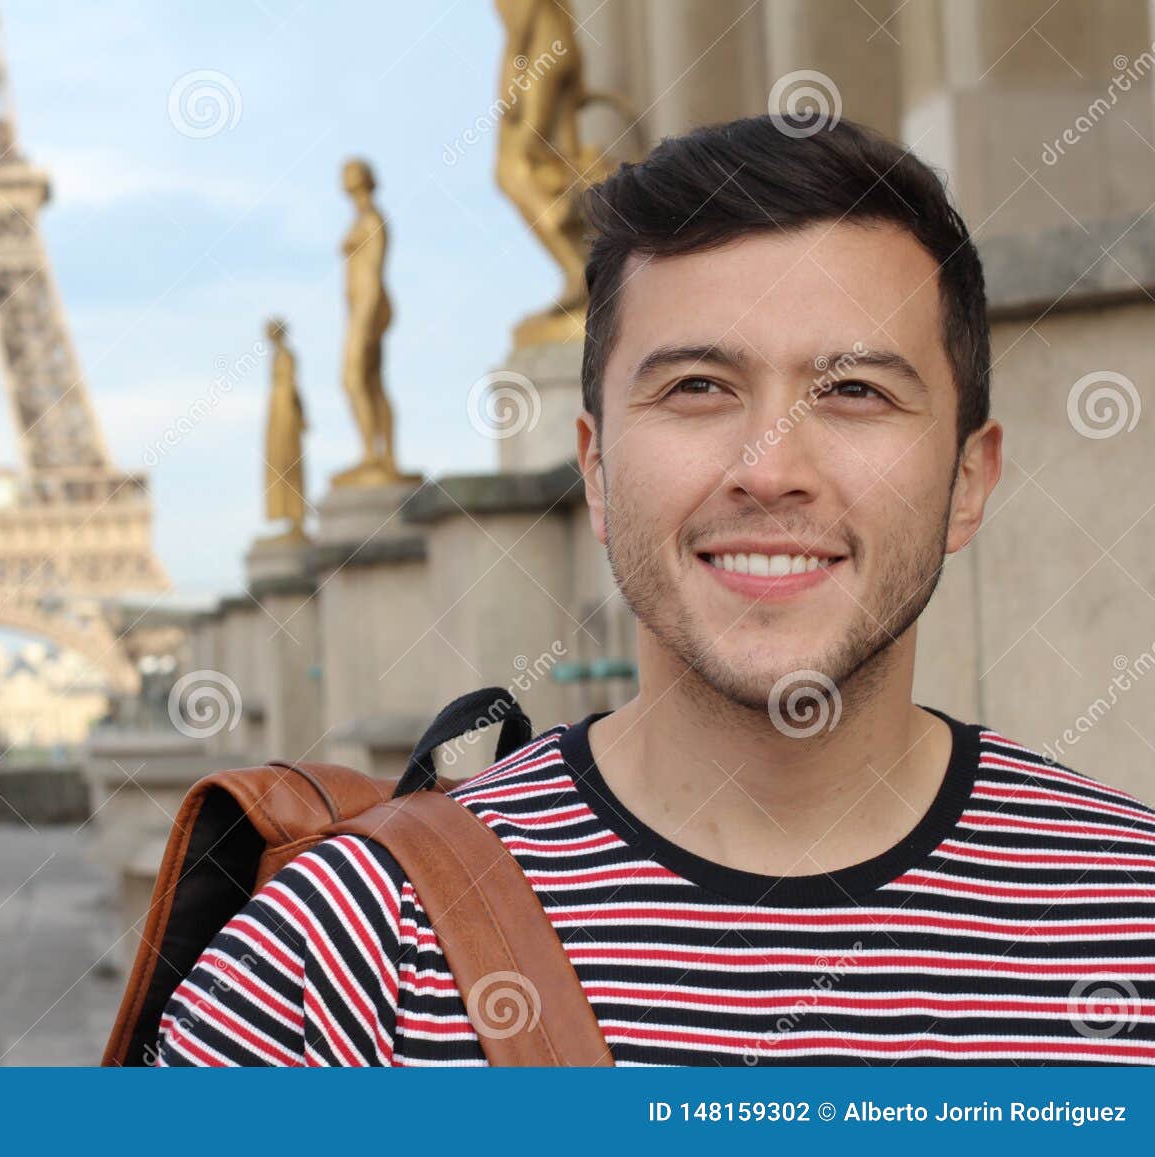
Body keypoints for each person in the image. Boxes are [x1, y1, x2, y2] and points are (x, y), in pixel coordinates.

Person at [156, 115, 1155, 1067]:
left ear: (967, 481)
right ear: (594, 470)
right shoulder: (328, 963)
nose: (769, 469)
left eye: (855, 391)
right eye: (696, 388)